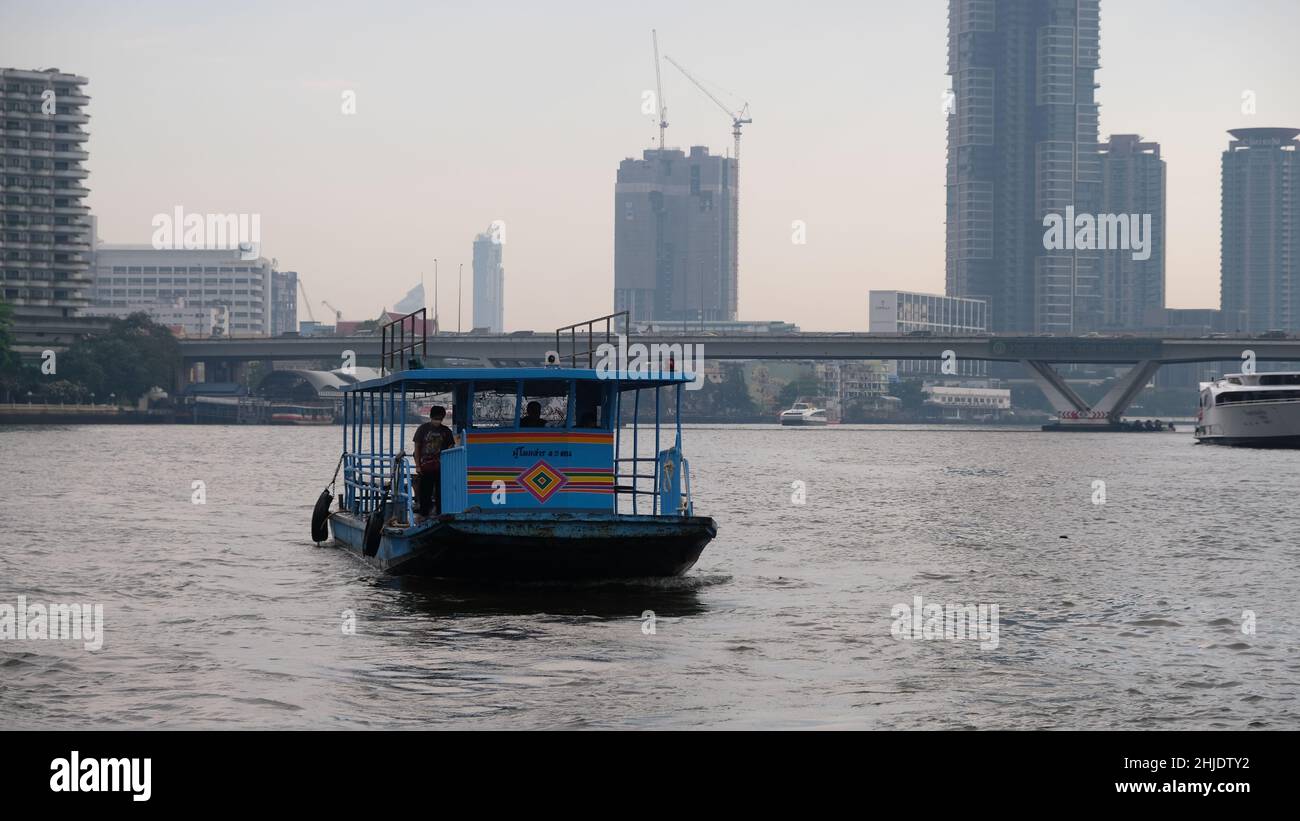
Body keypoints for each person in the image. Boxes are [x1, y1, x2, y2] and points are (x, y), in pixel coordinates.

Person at [413, 405, 456, 519]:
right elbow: (417, 447)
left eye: (440, 419)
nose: (437, 421)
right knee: (425, 491)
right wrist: (417, 465)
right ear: (431, 417)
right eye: (436, 418)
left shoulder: (446, 431)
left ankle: (440, 512)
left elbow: (451, 447)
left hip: (441, 467)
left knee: (441, 492)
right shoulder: (422, 429)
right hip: (425, 466)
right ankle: (424, 514)